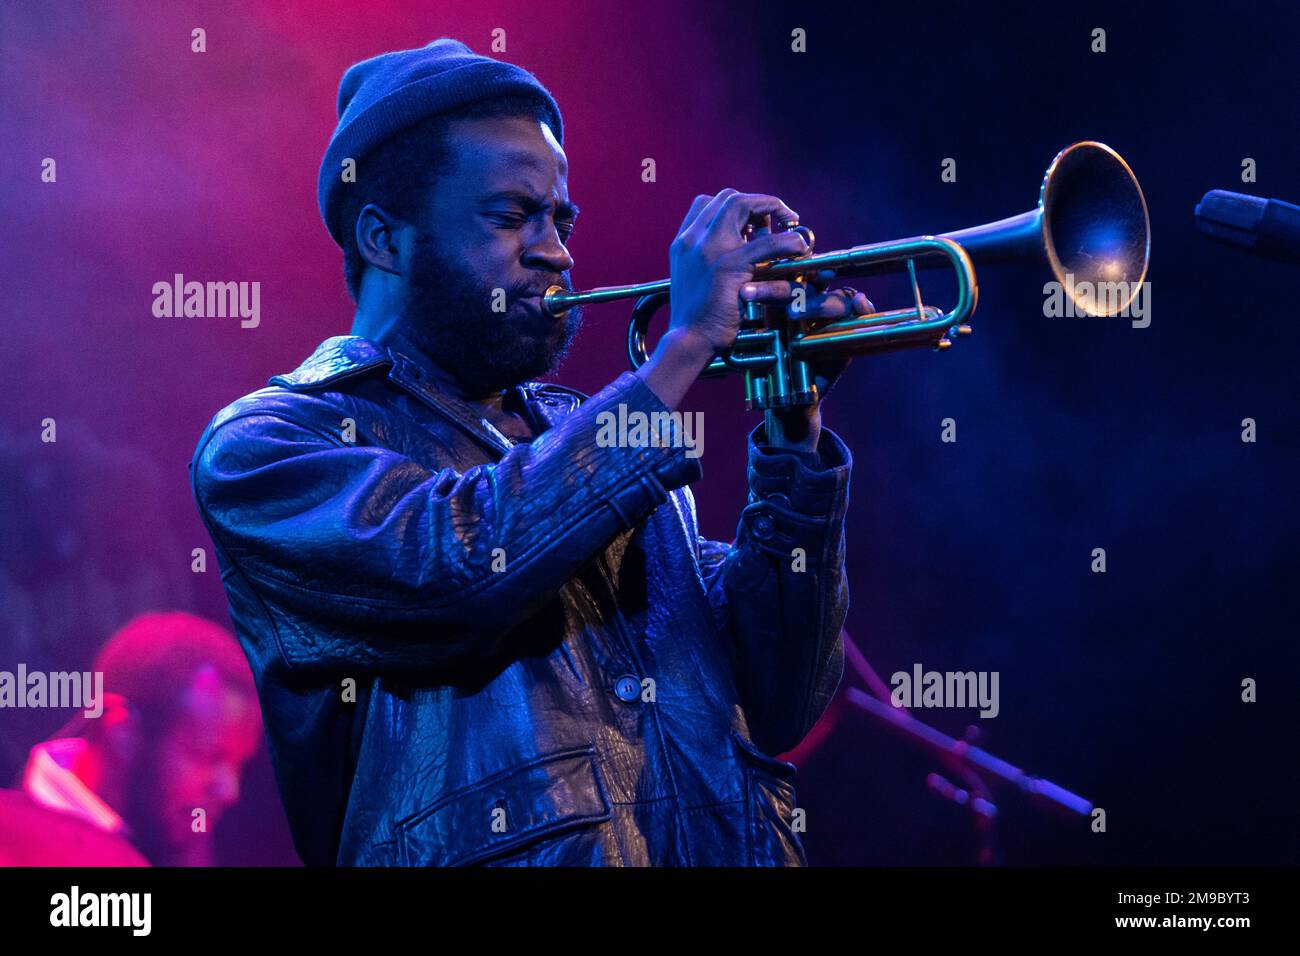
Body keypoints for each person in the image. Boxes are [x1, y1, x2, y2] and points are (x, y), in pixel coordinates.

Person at [191, 38, 869, 867]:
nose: (557, 250)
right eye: (513, 216)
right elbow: (461, 564)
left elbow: (783, 696)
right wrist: (685, 345)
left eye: (561, 219)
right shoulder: (268, 445)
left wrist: (791, 424)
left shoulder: (591, 437)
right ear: (384, 239)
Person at [0, 612, 262, 866]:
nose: (230, 791)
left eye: (240, 765)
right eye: (207, 755)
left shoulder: (168, 829)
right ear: (121, 731)